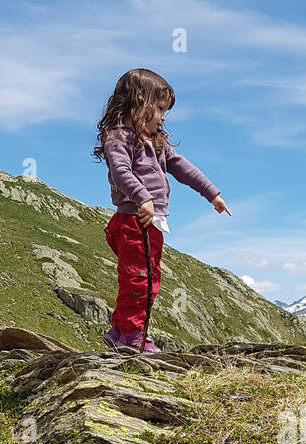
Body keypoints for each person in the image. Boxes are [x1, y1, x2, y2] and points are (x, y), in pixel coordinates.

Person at [93, 68, 231, 352]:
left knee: (149, 277)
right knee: (139, 280)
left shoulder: (157, 142)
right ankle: (134, 336)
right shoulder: (118, 138)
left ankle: (120, 331)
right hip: (134, 220)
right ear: (139, 101)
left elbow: (182, 168)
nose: (163, 117)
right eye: (159, 109)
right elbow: (121, 172)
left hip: (151, 224)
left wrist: (211, 193)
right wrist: (143, 198)